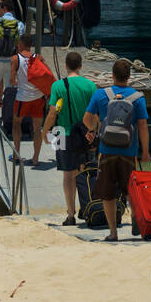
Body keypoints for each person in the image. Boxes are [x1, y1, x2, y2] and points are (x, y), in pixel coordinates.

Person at [82, 58, 151, 242]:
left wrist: (94, 129)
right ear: (129, 77)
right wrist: (145, 152)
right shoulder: (138, 98)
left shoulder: (100, 95)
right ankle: (136, 217)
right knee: (130, 190)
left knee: (108, 193)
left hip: (107, 150)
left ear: (112, 76)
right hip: (129, 152)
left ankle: (113, 232)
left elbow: (86, 119)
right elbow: (143, 125)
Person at [43, 50, 96, 225]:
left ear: (66, 66)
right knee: (85, 172)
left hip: (62, 133)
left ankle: (71, 214)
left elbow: (52, 113)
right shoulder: (90, 86)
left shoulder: (57, 86)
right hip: (85, 134)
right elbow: (95, 114)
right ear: (80, 66)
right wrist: (94, 133)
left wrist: (45, 131)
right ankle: (88, 208)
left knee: (68, 175)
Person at [8, 34, 46, 166]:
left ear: (21, 44)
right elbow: (46, 76)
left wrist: (19, 82)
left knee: (16, 123)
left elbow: (11, 81)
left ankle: (16, 155)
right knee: (37, 128)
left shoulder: (15, 59)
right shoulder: (39, 58)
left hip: (23, 98)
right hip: (38, 97)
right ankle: (35, 158)